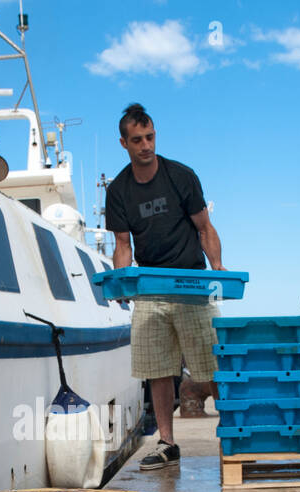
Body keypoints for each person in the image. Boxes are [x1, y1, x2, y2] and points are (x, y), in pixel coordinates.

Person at [105, 102, 226, 471]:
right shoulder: (119, 190)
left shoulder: (181, 176)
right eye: (137, 140)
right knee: (157, 369)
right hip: (151, 289)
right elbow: (123, 247)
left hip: (192, 284)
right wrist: (123, 281)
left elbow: (205, 228)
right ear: (123, 142)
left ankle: (232, 435)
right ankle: (168, 443)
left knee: (213, 366)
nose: (146, 145)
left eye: (150, 137)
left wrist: (217, 268)